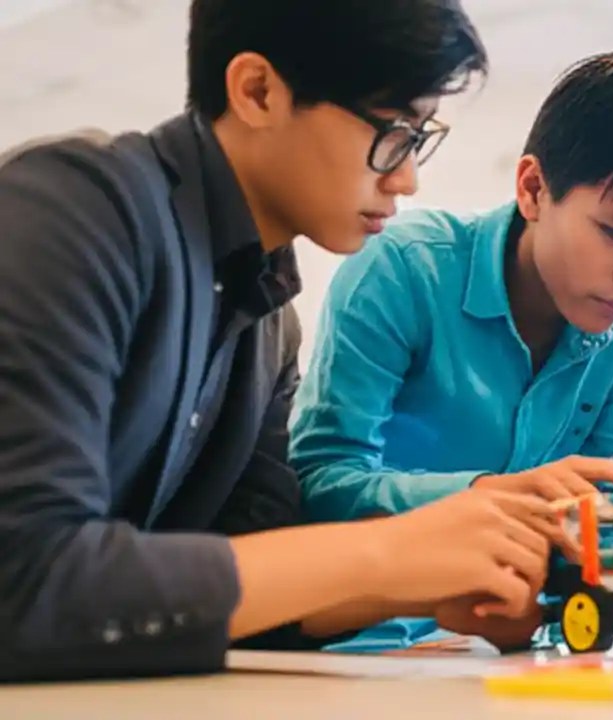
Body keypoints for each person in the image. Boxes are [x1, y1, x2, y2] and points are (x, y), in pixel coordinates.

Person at [0, 0, 565, 681]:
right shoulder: (77, 207)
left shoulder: (268, 322)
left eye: (419, 139)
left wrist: (434, 584)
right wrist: (388, 551)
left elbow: (247, 579)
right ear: (258, 91)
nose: (406, 178)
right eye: (392, 131)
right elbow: (26, 578)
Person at [288, 51, 613, 644]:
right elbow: (316, 486)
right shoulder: (400, 271)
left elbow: (612, 523)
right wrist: (482, 500)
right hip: (362, 651)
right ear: (532, 189)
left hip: (530, 654)